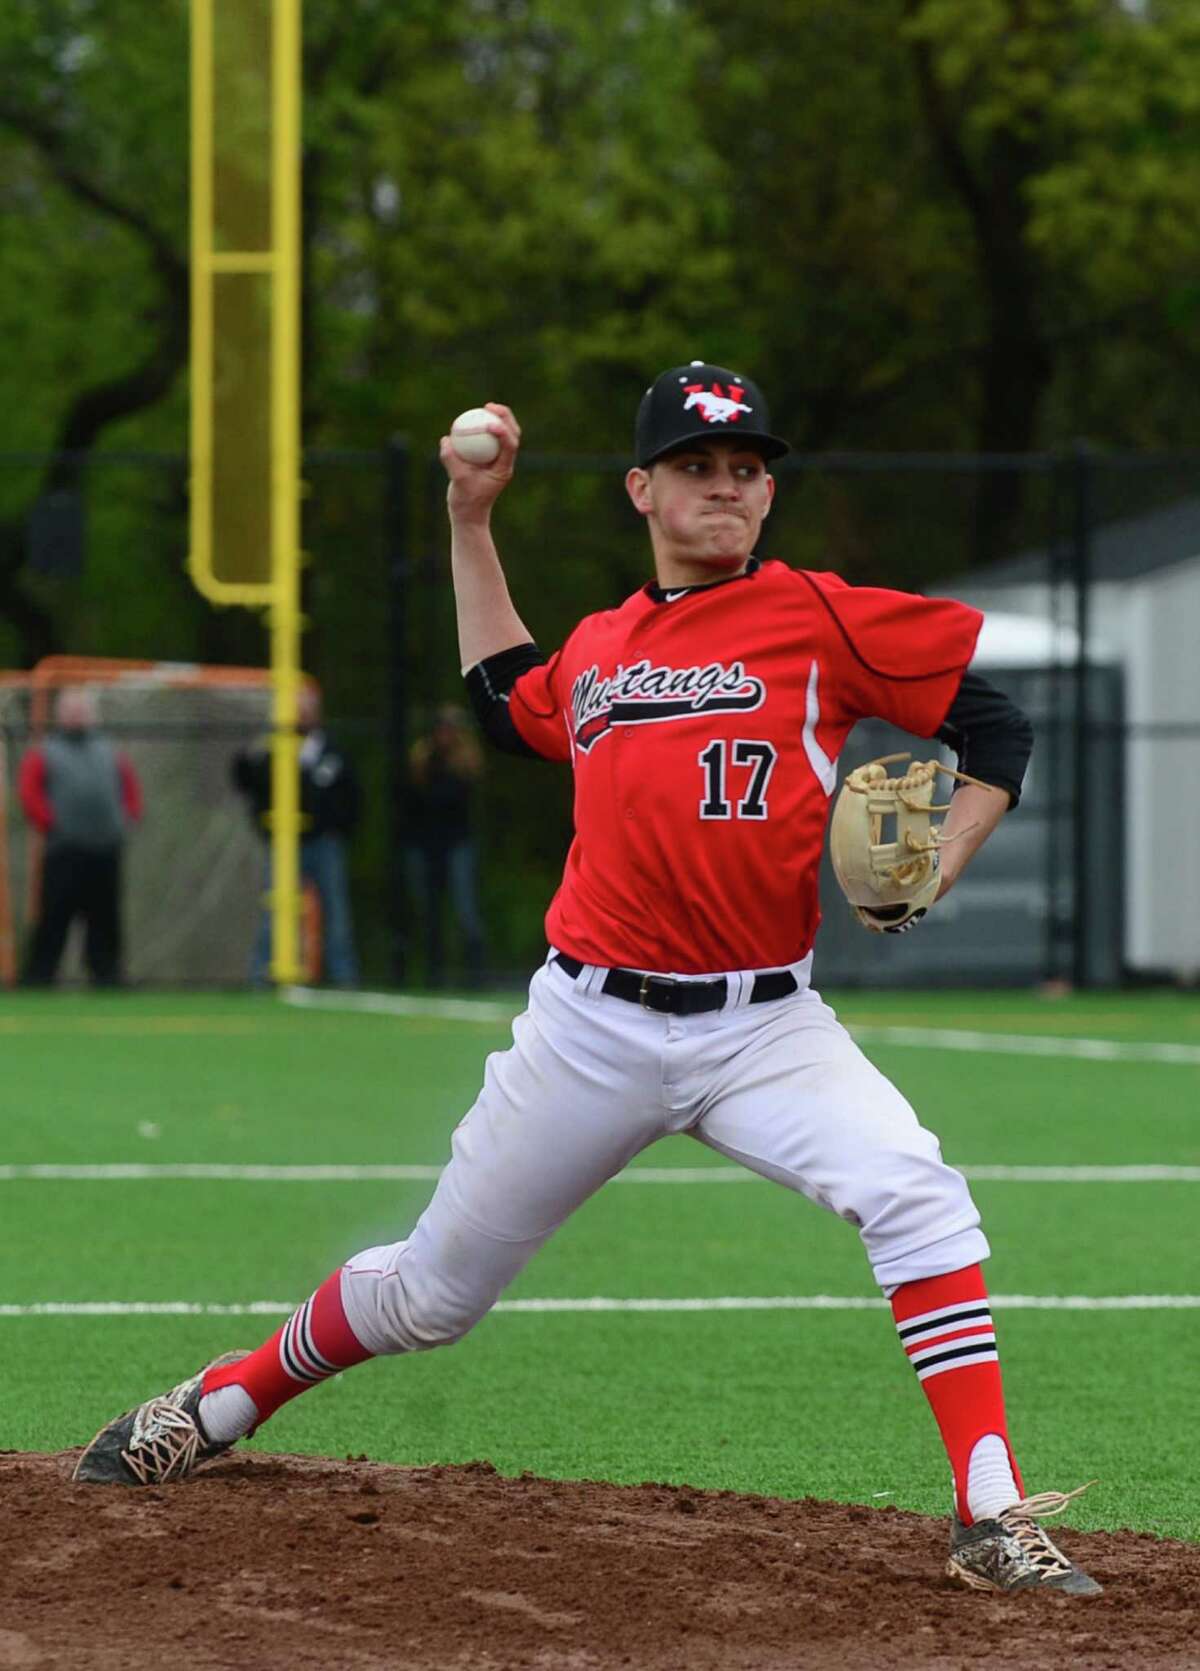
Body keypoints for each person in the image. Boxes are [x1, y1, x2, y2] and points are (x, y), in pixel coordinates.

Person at [73, 362, 1099, 1598]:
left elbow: (995, 732)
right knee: (431, 1295)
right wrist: (468, 517)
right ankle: (225, 1398)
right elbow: (507, 696)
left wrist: (939, 857)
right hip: (589, 1028)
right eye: (697, 467)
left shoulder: (824, 618)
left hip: (766, 1026)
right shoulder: (605, 648)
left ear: (766, 494)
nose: (726, 486)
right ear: (642, 489)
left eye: (746, 469)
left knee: (915, 1192)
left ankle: (991, 1513)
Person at [231, 684, 361, 988]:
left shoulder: (332, 752)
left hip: (324, 843)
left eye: (309, 705)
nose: (303, 711)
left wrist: (336, 826)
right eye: (298, 705)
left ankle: (345, 978)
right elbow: (247, 782)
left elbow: (351, 795)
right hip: (284, 843)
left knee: (336, 913)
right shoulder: (273, 749)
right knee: (274, 911)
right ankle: (261, 977)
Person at [19, 685, 142, 987]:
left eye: (82, 709)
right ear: (60, 714)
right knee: (53, 917)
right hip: (64, 850)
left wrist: (126, 818)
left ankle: (107, 974)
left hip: (105, 849)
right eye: (71, 709)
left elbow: (130, 790)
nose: (77, 715)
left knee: (105, 918)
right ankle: (39, 976)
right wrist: (52, 823)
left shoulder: (109, 752)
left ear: (93, 714)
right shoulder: (45, 751)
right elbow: (29, 792)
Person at [405, 704, 486, 985]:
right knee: (430, 911)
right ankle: (434, 973)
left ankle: (475, 975)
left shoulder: (464, 764)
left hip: (457, 845)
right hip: (427, 846)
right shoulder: (423, 761)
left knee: (466, 910)